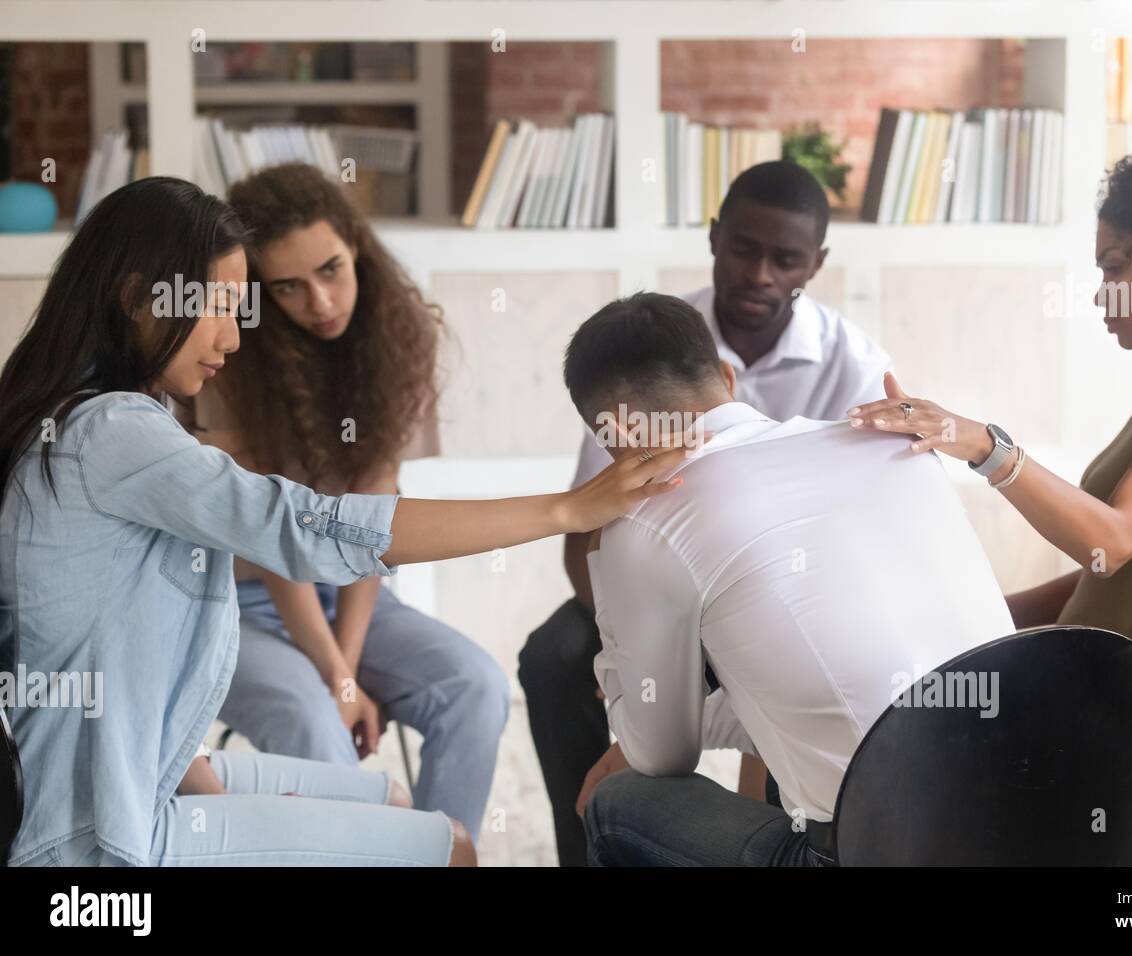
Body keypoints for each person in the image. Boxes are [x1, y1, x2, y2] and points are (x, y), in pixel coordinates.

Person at [0, 177, 690, 867]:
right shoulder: (115, 432)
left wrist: (207, 782)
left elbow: (127, 648)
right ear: (134, 299)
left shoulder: (92, 416)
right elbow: (305, 530)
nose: (233, 338)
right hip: (97, 831)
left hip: (142, 774)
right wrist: (566, 509)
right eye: (215, 307)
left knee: (393, 801)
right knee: (446, 848)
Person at [848, 144, 1132, 798]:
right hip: (1089, 691)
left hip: (1111, 727)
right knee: (871, 691)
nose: (1099, 291)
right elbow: (1108, 583)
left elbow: (1109, 543)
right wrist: (978, 619)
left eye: (1115, 266)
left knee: (851, 717)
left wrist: (984, 445)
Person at [518, 160, 893, 865]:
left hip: (790, 593)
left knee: (766, 670)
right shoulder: (648, 346)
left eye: (785, 259)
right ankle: (585, 850)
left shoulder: (855, 363)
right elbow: (587, 526)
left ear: (817, 264)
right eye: (745, 249)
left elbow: (864, 519)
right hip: (652, 581)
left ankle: (760, 834)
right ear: (714, 238)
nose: (759, 274)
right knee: (552, 657)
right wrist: (637, 632)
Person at [563, 292, 1012, 866]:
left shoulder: (647, 523)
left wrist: (621, 664)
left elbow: (661, 756)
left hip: (881, 854)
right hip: (1034, 805)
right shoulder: (891, 443)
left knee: (618, 799)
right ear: (727, 375)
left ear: (613, 434)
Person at [181, 163, 507, 839]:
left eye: (331, 270)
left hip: (351, 589)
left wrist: (348, 667)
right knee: (311, 715)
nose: (322, 302)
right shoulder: (227, 357)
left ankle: (436, 860)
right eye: (290, 288)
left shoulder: (399, 336)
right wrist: (335, 679)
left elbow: (373, 521)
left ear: (356, 244)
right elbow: (270, 535)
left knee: (474, 685)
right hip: (231, 599)